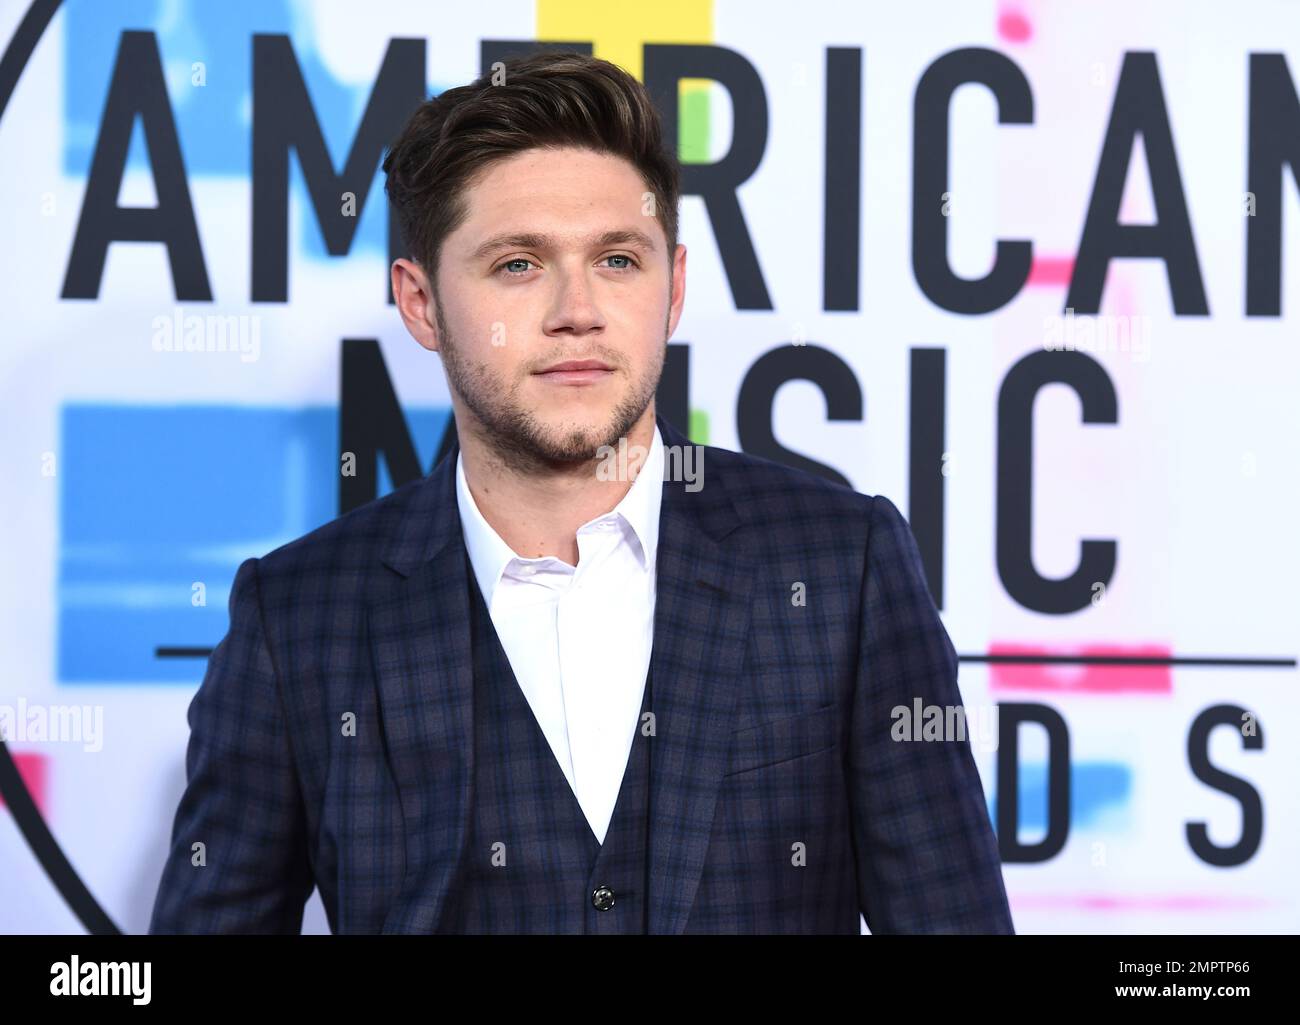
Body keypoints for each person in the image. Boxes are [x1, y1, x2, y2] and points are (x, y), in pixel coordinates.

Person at [149, 49, 1013, 934]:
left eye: (618, 260)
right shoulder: (298, 617)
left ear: (672, 287)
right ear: (420, 303)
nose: (579, 309)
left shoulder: (840, 568)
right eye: (518, 264)